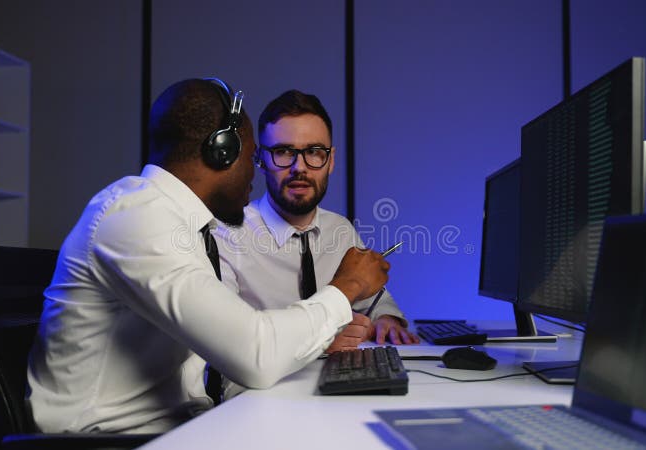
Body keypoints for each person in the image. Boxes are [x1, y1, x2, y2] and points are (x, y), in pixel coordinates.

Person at [26, 79, 390, 433]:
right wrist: (347, 287)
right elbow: (255, 355)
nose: (255, 171)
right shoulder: (135, 217)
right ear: (222, 152)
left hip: (182, 429)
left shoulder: (177, 222)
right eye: (252, 156)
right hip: (114, 442)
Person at [215, 89, 418, 355]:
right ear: (260, 160)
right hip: (264, 394)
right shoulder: (227, 236)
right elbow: (229, 343)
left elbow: (375, 300)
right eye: (284, 151)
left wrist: (386, 320)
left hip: (339, 389)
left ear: (330, 160)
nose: (299, 167)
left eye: (314, 151)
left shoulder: (341, 231)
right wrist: (318, 341)